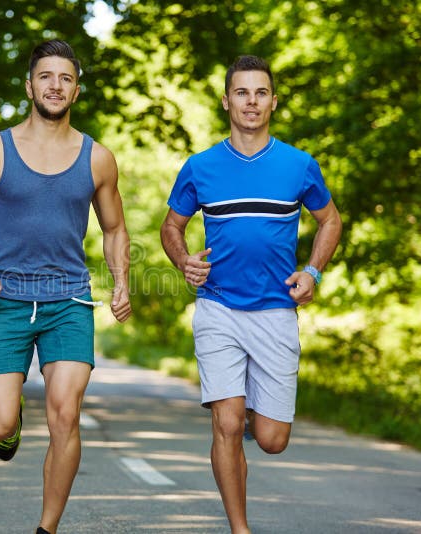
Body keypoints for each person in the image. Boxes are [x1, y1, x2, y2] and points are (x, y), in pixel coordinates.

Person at [0, 39, 132, 534]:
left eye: (66, 78)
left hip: (69, 301)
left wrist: (121, 282)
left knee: (66, 416)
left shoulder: (98, 158)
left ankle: (46, 528)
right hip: (5, 302)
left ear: (76, 90)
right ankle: (10, 421)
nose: (55, 85)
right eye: (46, 77)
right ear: (30, 86)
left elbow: (114, 229)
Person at [160, 55, 342, 533]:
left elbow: (330, 220)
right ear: (226, 101)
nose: (251, 101)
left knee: (271, 438)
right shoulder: (200, 167)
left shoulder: (299, 165)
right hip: (218, 307)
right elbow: (171, 227)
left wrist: (313, 272)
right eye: (242, 92)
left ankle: (242, 428)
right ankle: (240, 528)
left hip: (276, 311)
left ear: (273, 102)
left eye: (261, 92)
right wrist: (183, 261)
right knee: (226, 423)